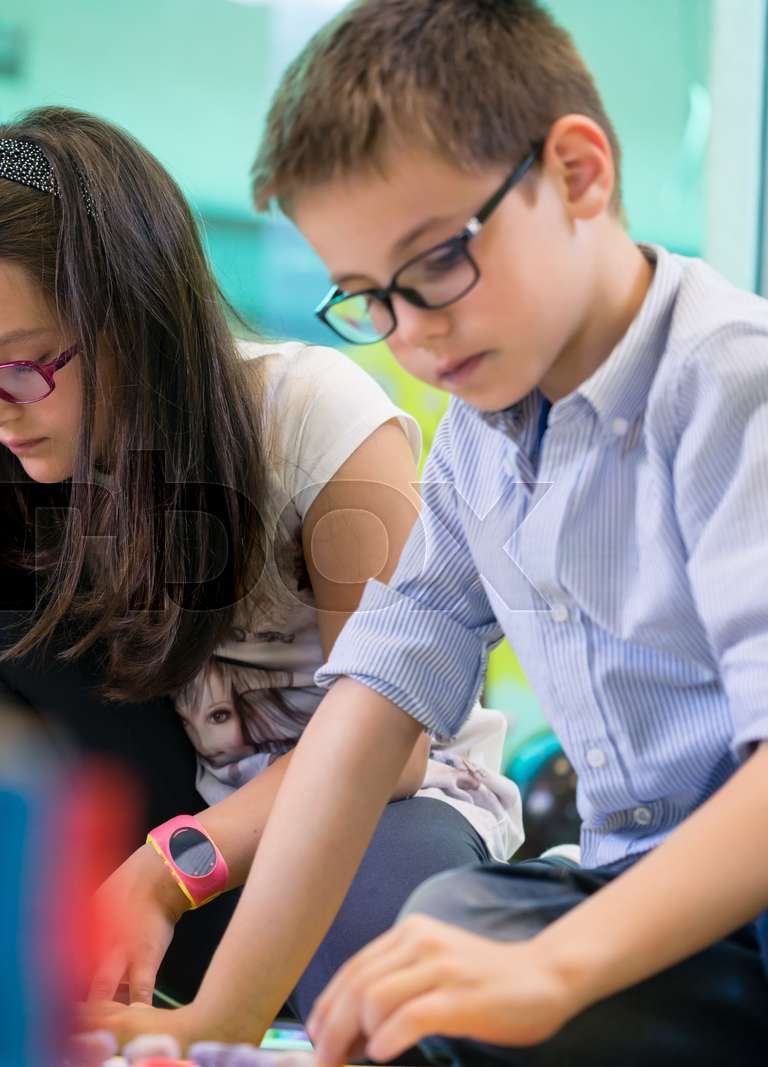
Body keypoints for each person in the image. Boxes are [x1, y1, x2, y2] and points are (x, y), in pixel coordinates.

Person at [89, 2, 768, 1063]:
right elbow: (361, 727)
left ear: (579, 174)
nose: (409, 332)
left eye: (436, 264)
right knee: (433, 942)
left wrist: (553, 965)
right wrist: (215, 1022)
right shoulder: (481, 440)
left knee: (476, 953)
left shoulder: (732, 384)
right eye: (366, 300)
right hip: (643, 896)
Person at [0, 104, 518, 1019]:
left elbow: (394, 751)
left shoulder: (313, 414)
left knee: (380, 986)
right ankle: (93, 963)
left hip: (374, 815)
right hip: (171, 821)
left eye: (21, 364)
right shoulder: (17, 448)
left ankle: (213, 974)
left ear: (134, 319)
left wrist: (166, 875)